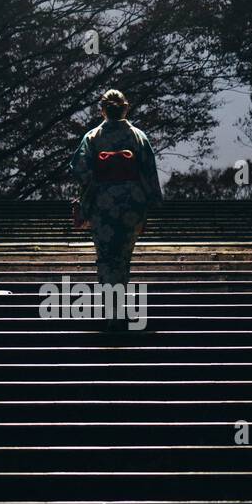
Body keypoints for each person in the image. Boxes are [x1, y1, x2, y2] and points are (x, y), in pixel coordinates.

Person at [69, 89, 163, 330]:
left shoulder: (92, 137)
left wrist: (97, 180)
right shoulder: (138, 137)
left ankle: (112, 312)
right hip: (131, 202)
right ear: (125, 108)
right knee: (122, 258)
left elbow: (80, 169)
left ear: (102, 109)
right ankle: (118, 312)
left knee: (106, 258)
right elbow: (148, 170)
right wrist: (150, 202)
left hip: (102, 202)